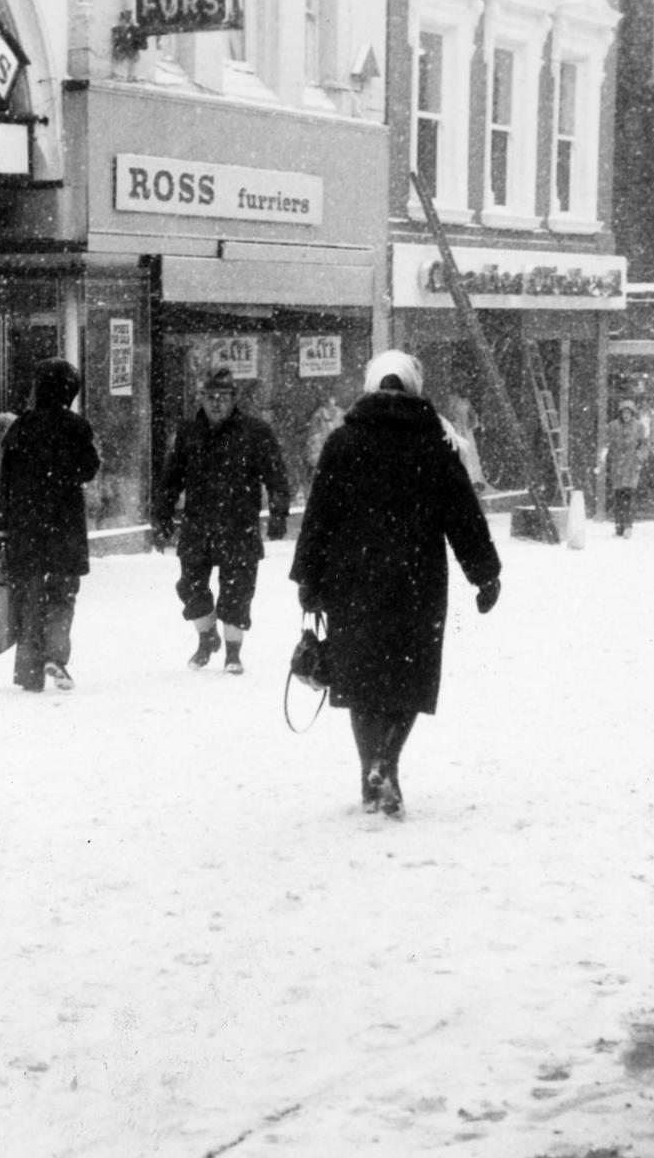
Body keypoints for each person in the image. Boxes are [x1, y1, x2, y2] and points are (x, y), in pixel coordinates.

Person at [290, 350, 502, 819]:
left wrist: (309, 578)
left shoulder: (342, 442)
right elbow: (463, 515)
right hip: (417, 581)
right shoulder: (433, 444)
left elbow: (319, 516)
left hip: (353, 582)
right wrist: (485, 573)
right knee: (409, 680)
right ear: (413, 389)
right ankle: (387, 761)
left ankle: (372, 770)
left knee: (362, 682)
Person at [151, 365, 292, 674]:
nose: (216, 403)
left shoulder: (255, 432)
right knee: (190, 586)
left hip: (239, 524)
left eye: (223, 397)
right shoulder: (189, 432)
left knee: (238, 590)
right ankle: (207, 638)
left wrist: (279, 513)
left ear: (234, 399)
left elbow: (276, 476)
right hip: (198, 525)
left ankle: (233, 652)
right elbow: (170, 479)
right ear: (201, 398)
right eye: (210, 397)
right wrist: (161, 515)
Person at [0, 359, 101, 693]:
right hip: (64, 527)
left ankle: (29, 671)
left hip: (26, 528)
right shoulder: (77, 427)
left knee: (29, 598)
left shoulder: (20, 427)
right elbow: (88, 468)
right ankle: (56, 655)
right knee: (62, 595)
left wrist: (5, 521)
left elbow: (6, 479)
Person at [601, 400, 650, 537]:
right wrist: (604, 458)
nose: (626, 415)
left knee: (629, 497)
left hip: (631, 467)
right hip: (617, 467)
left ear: (632, 413)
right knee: (618, 499)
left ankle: (628, 526)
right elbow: (606, 443)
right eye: (624, 412)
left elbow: (644, 445)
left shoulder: (639, 427)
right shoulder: (612, 427)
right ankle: (619, 527)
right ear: (620, 413)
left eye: (628, 412)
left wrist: (639, 457)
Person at [304, 392, 345, 488]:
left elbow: (314, 442)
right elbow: (314, 441)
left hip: (330, 460)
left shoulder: (339, 414)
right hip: (330, 460)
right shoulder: (318, 417)